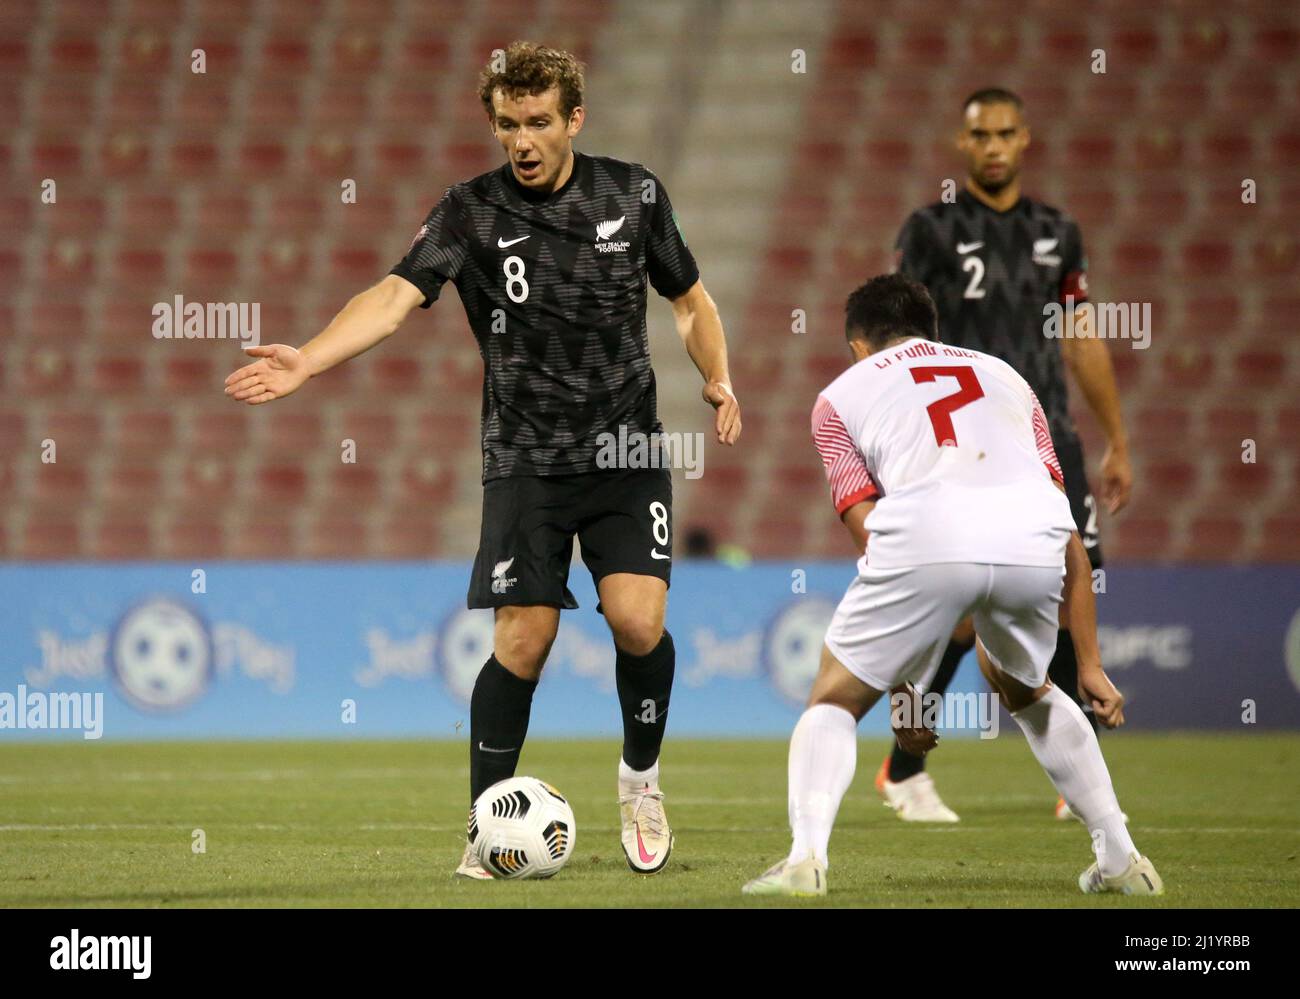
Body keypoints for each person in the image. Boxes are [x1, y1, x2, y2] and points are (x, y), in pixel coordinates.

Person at [223, 42, 741, 878]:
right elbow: (394, 296)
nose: (523, 141)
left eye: (538, 122)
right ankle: (486, 823)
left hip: (625, 448)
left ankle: (640, 780)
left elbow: (689, 300)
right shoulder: (469, 211)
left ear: (575, 117)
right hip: (525, 458)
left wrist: (716, 376)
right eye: (507, 124)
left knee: (639, 621)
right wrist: (310, 359)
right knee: (524, 638)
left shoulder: (634, 194)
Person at [742, 274, 1159, 898]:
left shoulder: (837, 398)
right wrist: (1091, 665)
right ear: (933, 333)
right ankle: (1124, 859)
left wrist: (905, 692)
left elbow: (875, 535)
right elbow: (1069, 535)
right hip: (1034, 537)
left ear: (859, 345)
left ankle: (805, 860)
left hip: (930, 530)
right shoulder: (1010, 379)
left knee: (834, 694)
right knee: (1028, 688)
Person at [882, 87, 1133, 822]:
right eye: (979, 134)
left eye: (1005, 133)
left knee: (1067, 583)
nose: (992, 145)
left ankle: (1072, 774)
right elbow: (903, 339)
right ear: (962, 145)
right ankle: (904, 767)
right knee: (961, 612)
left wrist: (1116, 436)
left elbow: (1080, 337)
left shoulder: (1060, 232)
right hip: (963, 444)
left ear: (1026, 140)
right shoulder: (929, 229)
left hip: (1048, 433)